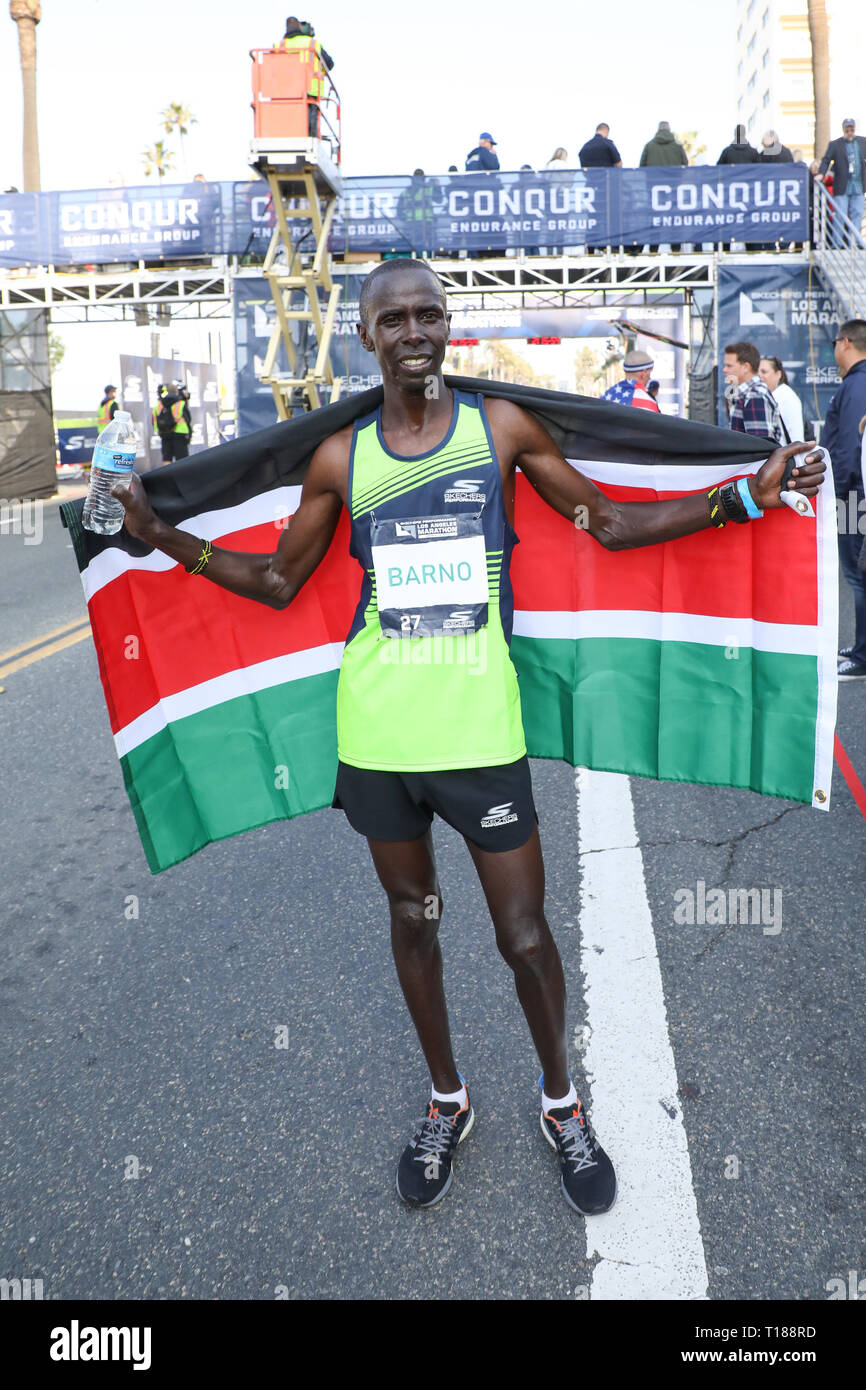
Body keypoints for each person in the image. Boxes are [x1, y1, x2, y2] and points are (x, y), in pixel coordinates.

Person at [109, 258, 825, 1214]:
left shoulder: (501, 433)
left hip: (481, 728)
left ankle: (561, 1104)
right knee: (414, 919)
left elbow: (606, 522)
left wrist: (747, 495)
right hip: (378, 734)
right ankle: (447, 1100)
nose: (414, 332)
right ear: (366, 336)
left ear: (448, 327)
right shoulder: (342, 458)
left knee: (525, 937)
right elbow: (278, 583)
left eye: (429, 316)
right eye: (394, 319)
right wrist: (159, 536)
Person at [819, 320, 866, 678]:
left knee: (857, 574)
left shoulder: (857, 383)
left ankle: (863, 657)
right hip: (853, 492)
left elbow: (852, 444)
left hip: (853, 496)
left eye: (835, 342)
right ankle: (861, 646)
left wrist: (841, 492)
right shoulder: (856, 382)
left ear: (846, 343)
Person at [275, 16, 335, 139]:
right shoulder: (312, 43)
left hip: (284, 94)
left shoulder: (279, 45)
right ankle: (311, 138)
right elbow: (329, 64)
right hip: (310, 90)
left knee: (287, 124)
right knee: (309, 127)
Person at [722, 342, 785, 445]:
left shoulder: (755, 395)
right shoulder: (746, 394)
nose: (724, 370)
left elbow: (760, 448)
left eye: (729, 366)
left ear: (746, 367)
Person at [818, 118, 866, 243]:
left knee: (857, 214)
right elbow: (826, 160)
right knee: (840, 215)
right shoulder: (835, 145)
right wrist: (821, 174)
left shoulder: (862, 142)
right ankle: (837, 243)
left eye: (852, 129)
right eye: (847, 129)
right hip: (842, 187)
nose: (849, 132)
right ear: (843, 130)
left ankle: (853, 243)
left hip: (858, 186)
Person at [758, 357, 804, 443]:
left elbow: (796, 436)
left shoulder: (785, 396)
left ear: (778, 374)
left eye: (764, 372)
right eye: (757, 372)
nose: (759, 375)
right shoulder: (770, 395)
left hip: (785, 453)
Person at [155, 382, 192, 463]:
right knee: (182, 459)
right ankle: (182, 476)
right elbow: (188, 419)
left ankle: (167, 476)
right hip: (180, 433)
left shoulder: (159, 404)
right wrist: (189, 434)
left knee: (167, 458)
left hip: (164, 433)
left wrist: (160, 431)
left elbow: (155, 418)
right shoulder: (180, 403)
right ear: (177, 391)